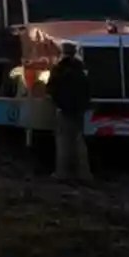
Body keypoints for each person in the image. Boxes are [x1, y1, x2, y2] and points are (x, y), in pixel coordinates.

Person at [46, 42, 93, 182]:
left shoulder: (59, 69)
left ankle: (62, 173)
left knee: (63, 142)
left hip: (63, 109)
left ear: (63, 52)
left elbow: (51, 88)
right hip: (79, 110)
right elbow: (87, 89)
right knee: (79, 141)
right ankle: (84, 174)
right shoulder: (81, 69)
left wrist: (57, 103)